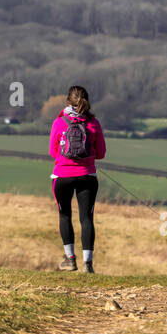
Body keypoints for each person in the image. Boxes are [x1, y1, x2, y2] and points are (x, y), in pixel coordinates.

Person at [49, 85, 106, 273]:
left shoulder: (59, 122)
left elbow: (52, 152)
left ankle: (70, 259)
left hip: (62, 176)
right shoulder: (93, 123)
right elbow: (101, 153)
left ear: (68, 101)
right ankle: (87, 264)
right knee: (86, 218)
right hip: (87, 176)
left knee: (64, 215)